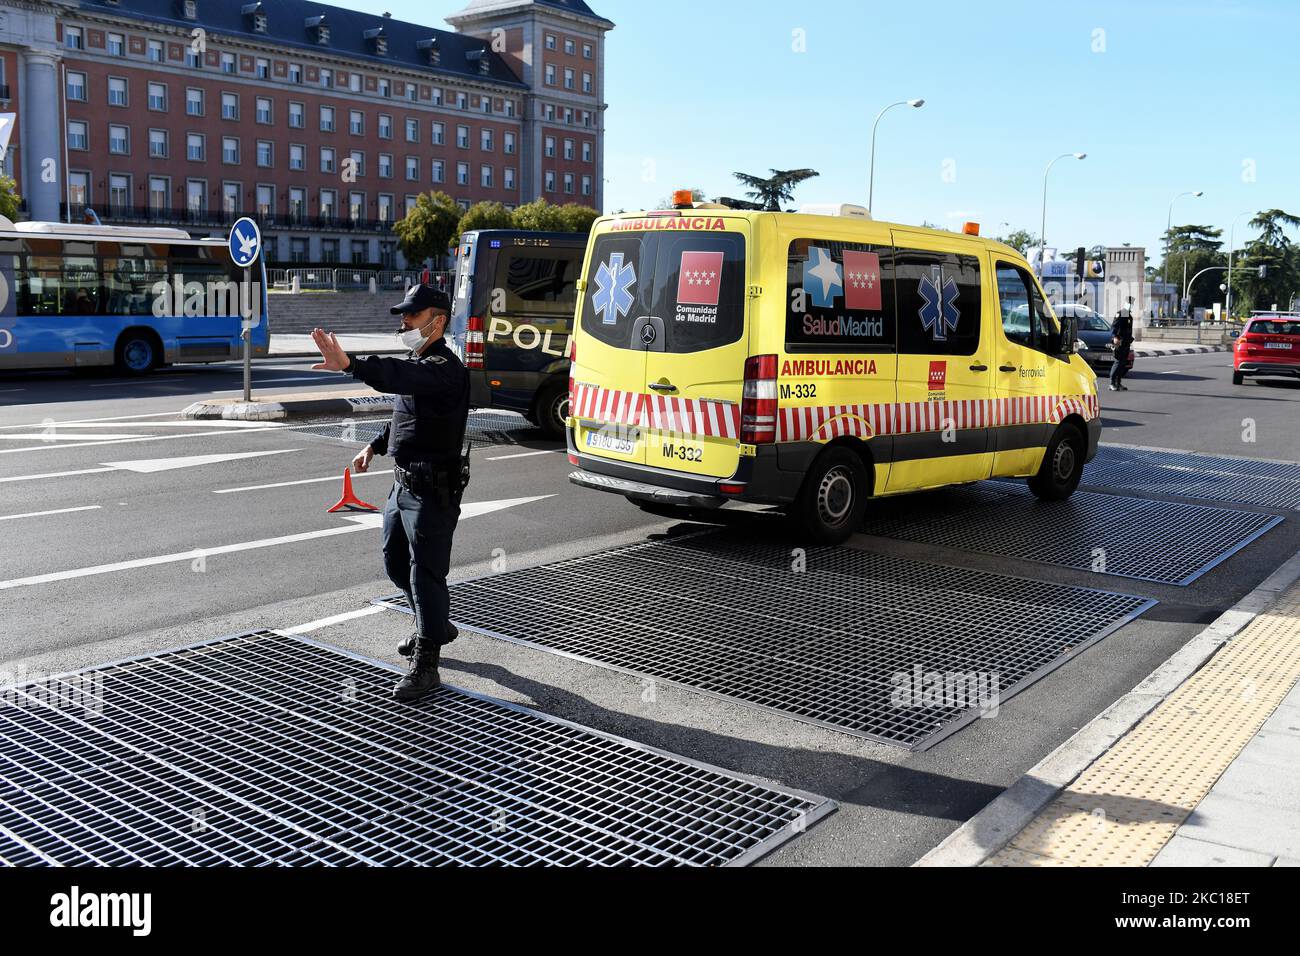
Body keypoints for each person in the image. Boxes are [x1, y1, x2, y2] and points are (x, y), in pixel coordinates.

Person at [310, 285, 470, 701]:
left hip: (433, 491)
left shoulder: (445, 369)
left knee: (425, 572)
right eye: (403, 316)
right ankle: (435, 624)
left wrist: (351, 365)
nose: (404, 323)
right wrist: (375, 446)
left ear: (438, 320)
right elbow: (405, 414)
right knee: (395, 563)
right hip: (402, 484)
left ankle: (427, 662)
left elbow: (400, 378)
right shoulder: (420, 362)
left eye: (412, 317)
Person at [1109, 307, 1134, 391]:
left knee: (1123, 363)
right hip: (1119, 342)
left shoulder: (1129, 315)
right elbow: (1114, 326)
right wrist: (1115, 337)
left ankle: (1118, 383)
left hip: (1126, 342)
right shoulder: (1121, 313)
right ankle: (1112, 383)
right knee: (1118, 362)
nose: (1131, 305)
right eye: (1130, 303)